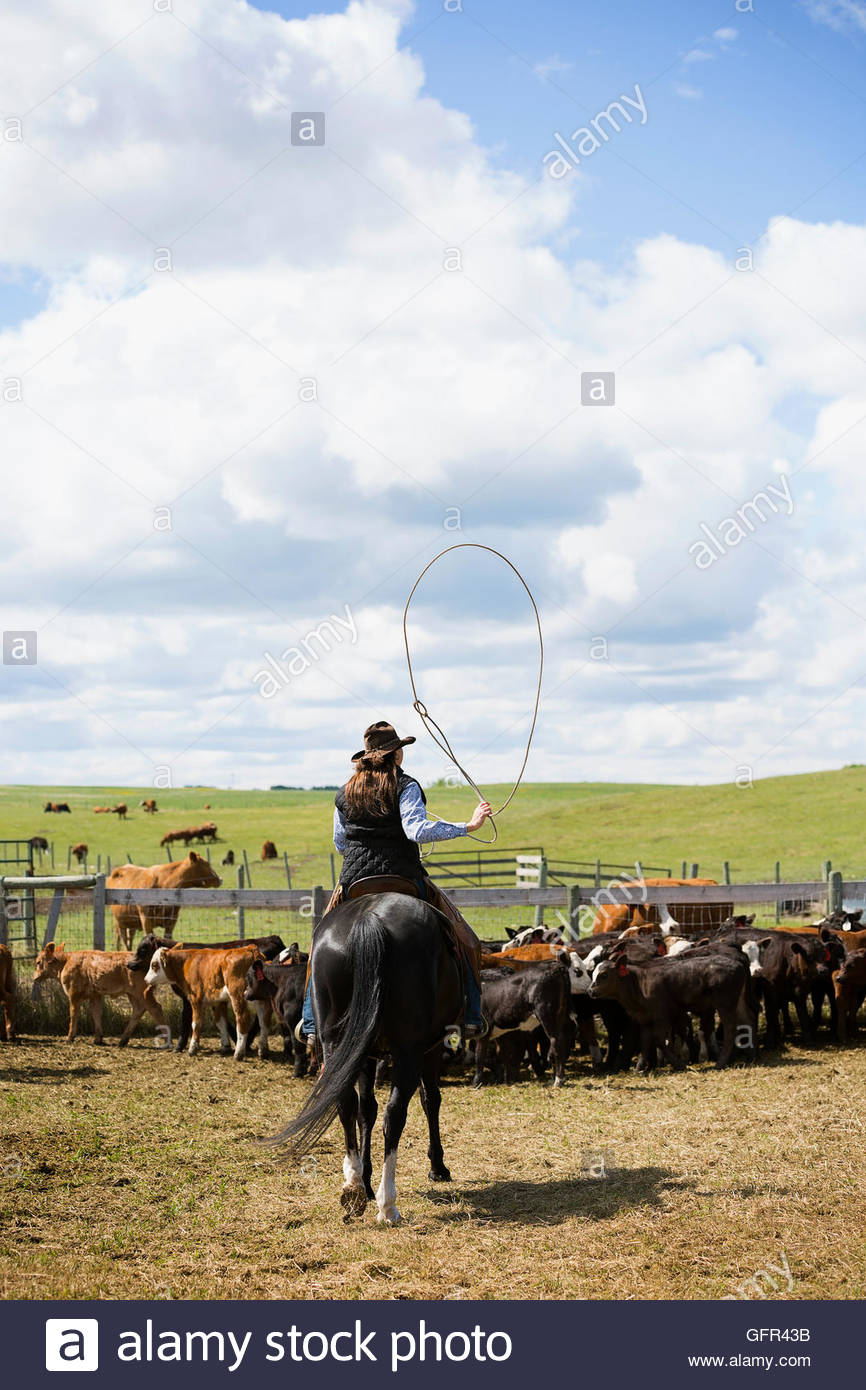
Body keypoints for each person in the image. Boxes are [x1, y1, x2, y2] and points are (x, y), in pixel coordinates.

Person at [301, 720, 491, 1041]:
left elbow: (340, 843)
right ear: (397, 754)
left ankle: (309, 1022)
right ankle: (472, 1015)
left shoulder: (344, 792)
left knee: (319, 940)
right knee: (464, 939)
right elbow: (415, 830)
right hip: (403, 877)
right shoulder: (406, 786)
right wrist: (468, 826)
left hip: (354, 880)